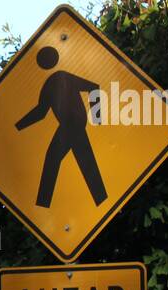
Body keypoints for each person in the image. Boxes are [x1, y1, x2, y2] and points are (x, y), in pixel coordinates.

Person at [14, 46, 108, 208]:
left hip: (73, 123)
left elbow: (93, 87)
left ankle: (43, 204)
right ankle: (101, 200)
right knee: (83, 160)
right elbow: (41, 112)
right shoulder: (49, 84)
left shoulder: (61, 77)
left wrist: (97, 119)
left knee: (54, 157)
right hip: (70, 125)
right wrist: (18, 126)